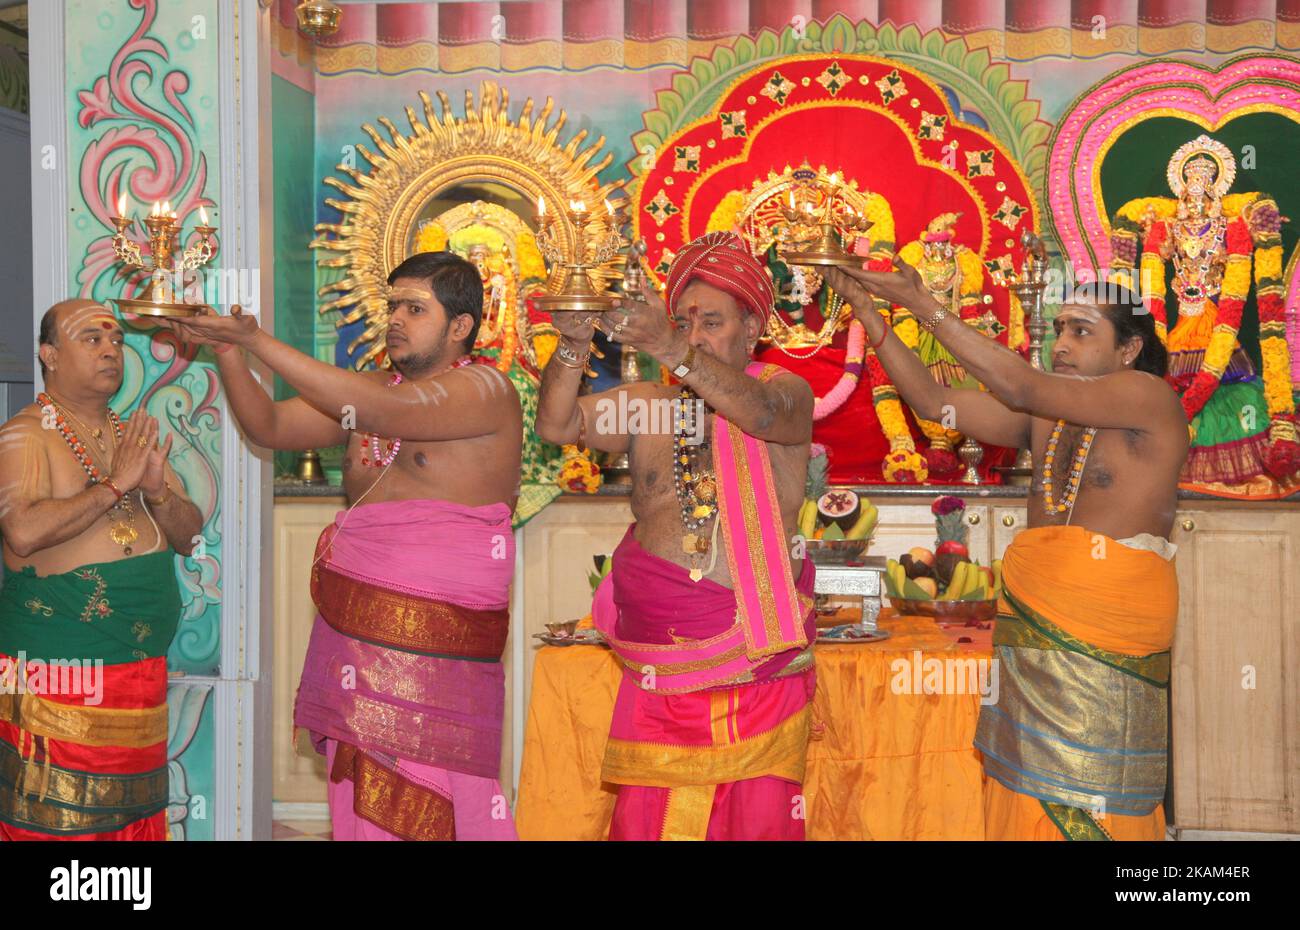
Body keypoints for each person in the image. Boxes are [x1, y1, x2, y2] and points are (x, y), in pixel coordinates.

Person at [163, 251, 522, 840]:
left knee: (443, 776)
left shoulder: (484, 388)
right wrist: (226, 352)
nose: (396, 320)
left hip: (437, 635)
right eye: (392, 306)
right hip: (358, 622)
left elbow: (383, 411)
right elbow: (269, 428)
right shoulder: (375, 387)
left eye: (415, 308)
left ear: (461, 326)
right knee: (360, 769)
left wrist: (254, 338)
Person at [825, 260, 1189, 840]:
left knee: (1092, 788)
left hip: (1105, 625)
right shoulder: (1047, 414)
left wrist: (924, 303)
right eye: (1060, 328)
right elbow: (929, 402)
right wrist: (871, 315)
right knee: (1026, 785)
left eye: (1081, 331)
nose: (1061, 344)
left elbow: (1020, 382)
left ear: (1129, 349)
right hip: (1036, 618)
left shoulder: (1148, 399)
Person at [536, 231, 817, 840]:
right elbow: (558, 424)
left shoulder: (787, 394)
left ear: (752, 328)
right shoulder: (651, 405)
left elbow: (763, 416)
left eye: (711, 321)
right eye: (682, 320)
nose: (692, 334)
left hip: (755, 669)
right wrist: (572, 344)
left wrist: (669, 346)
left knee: (759, 826)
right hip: (659, 674)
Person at [0, 299, 201, 840]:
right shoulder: (25, 435)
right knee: (58, 820)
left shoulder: (129, 432)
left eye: (116, 338)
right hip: (60, 672)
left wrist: (156, 491)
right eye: (91, 338)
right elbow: (21, 530)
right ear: (49, 355)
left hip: (137, 672)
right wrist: (114, 485)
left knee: (128, 819)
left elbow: (189, 536)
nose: (110, 348)